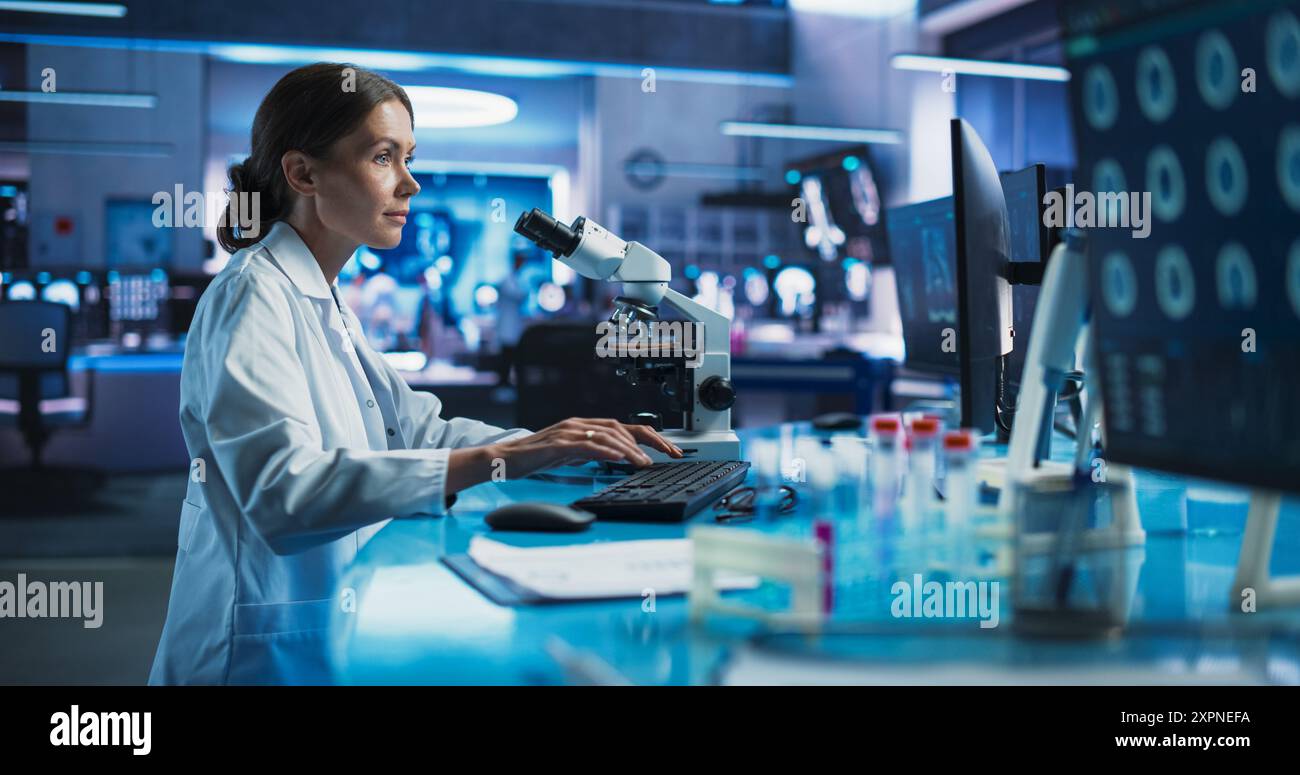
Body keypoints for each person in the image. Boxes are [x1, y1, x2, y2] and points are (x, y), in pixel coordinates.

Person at [149, 63, 680, 685]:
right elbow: (282, 491)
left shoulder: (322, 295)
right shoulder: (252, 295)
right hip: (251, 653)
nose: (411, 184)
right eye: (383, 157)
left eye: (408, 157)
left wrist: (560, 447)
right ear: (303, 173)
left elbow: (420, 433)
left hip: (316, 631)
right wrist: (507, 457)